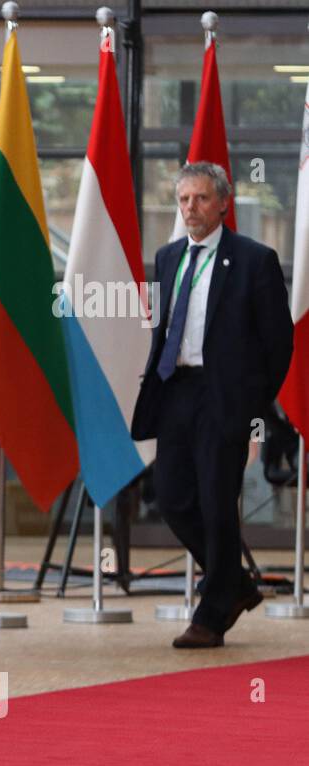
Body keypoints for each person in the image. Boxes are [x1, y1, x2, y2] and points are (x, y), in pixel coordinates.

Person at [130, 161, 293, 649]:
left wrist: (252, 403)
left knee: (217, 502)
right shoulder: (166, 256)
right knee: (172, 496)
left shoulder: (253, 260)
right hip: (176, 390)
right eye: (183, 200)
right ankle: (236, 584)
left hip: (225, 399)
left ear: (223, 202)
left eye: (200, 199)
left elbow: (278, 342)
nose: (190, 209)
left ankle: (212, 613)